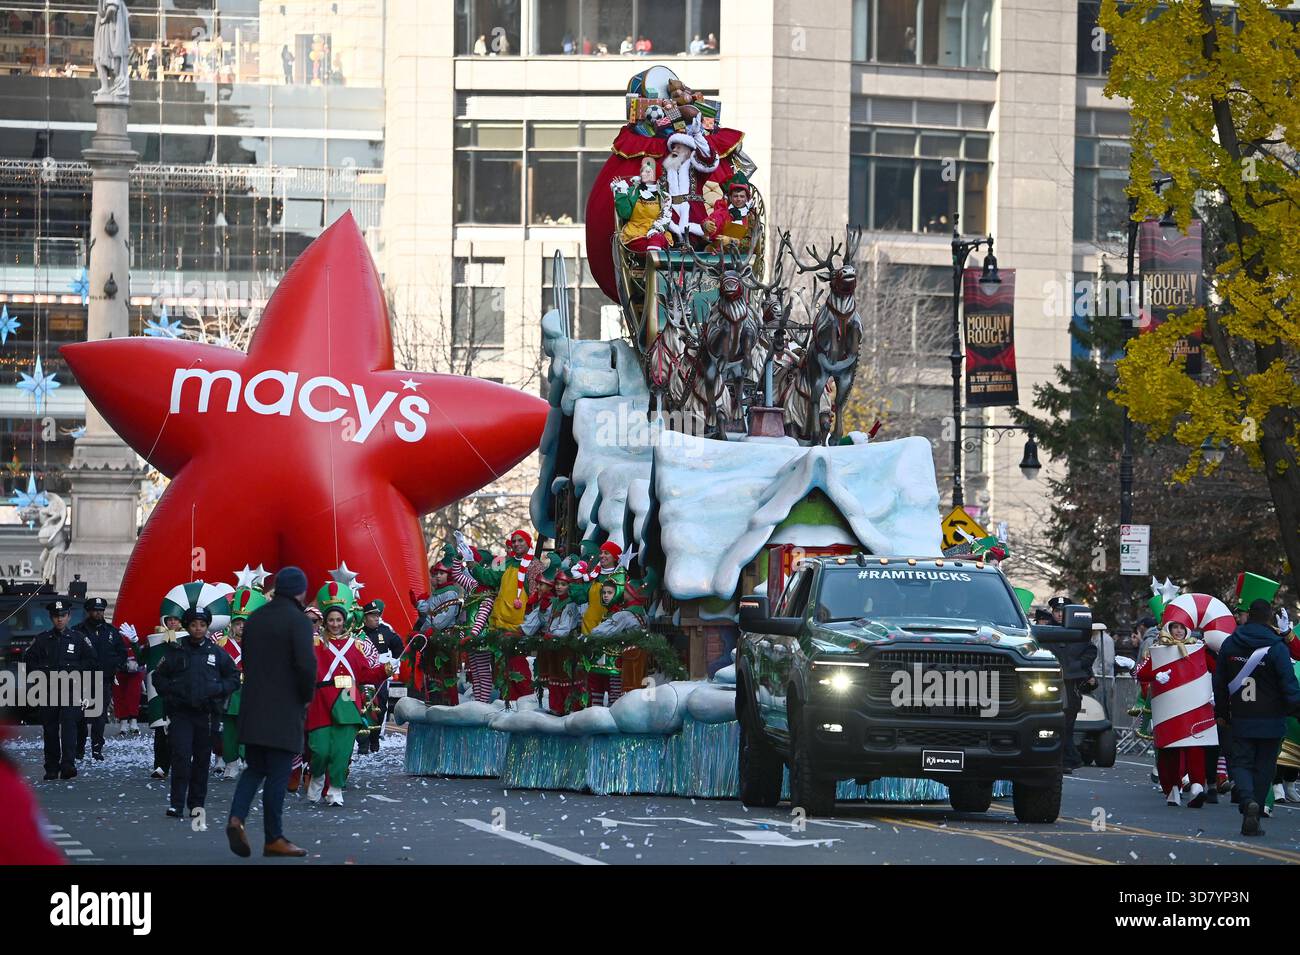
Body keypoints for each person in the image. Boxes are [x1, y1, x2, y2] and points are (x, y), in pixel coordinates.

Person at [227, 566, 316, 858]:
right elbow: (305, 666)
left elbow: (249, 661)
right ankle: (273, 837)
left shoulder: (256, 618)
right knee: (279, 772)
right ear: (300, 591)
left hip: (253, 706)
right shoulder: (299, 622)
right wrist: (305, 697)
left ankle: (237, 817)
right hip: (284, 709)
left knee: (255, 769)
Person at [1213, 598, 1300, 836]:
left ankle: (1247, 801)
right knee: (1265, 768)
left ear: (1249, 615)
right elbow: (1289, 684)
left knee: (1240, 763)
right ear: (1269, 617)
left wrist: (1221, 712)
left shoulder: (1231, 645)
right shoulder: (1277, 647)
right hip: (1272, 719)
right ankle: (1257, 809)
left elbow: (1219, 683)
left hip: (1240, 716)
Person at [152, 608, 239, 818]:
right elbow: (158, 677)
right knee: (181, 757)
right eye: (193, 625)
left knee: (201, 761)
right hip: (181, 714)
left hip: (207, 714)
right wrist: (171, 694)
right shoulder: (176, 650)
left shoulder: (217, 652)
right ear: (187, 626)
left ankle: (196, 803)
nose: (198, 629)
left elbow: (233, 678)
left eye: (202, 625)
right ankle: (176, 803)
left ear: (207, 626)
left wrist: (218, 689)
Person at [306, 599, 391, 806]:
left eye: (339, 620)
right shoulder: (313, 644)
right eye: (331, 620)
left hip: (347, 698)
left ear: (344, 622)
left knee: (342, 752)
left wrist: (385, 670)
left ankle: (335, 790)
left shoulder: (355, 645)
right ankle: (316, 775)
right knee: (320, 750)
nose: (335, 624)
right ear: (325, 622)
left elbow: (365, 674)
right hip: (320, 699)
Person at [1135, 620, 1217, 808]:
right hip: (1168, 708)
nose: (1179, 631)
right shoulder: (1158, 649)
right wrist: (1155, 676)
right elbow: (1141, 673)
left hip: (1194, 706)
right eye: (1175, 627)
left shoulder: (1198, 648)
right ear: (1168, 629)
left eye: (1182, 627)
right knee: (1169, 750)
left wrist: (1213, 691)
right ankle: (1172, 787)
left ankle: (1197, 785)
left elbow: (1216, 668)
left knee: (1196, 746)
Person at [24, 600, 96, 781]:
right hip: (49, 690)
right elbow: (30, 662)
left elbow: (91, 661)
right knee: (50, 730)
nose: (59, 619)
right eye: (56, 616)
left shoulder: (78, 639)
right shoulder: (42, 640)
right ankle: (51, 767)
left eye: (63, 616)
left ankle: (68, 764)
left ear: (68, 616)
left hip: (71, 690)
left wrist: (77, 673)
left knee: (69, 728)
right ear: (51, 618)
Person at [1046, 596, 1096, 773]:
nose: (1059, 615)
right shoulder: (1045, 631)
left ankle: (1066, 759)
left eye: (1063, 611)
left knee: (1066, 724)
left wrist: (1076, 668)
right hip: (1047, 683)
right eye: (1057, 611)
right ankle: (1064, 758)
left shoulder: (1079, 633)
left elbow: (1090, 652)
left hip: (1069, 686)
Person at [75, 596, 126, 761]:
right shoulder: (78, 631)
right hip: (83, 679)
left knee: (100, 716)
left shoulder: (111, 631)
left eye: (101, 610)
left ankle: (97, 749)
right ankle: (79, 749)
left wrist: (116, 666)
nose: (98, 613)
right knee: (80, 716)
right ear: (89, 612)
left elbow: (121, 652)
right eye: (95, 610)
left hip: (104, 679)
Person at [356, 599, 403, 755]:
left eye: (378, 615)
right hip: (362, 678)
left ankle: (374, 740)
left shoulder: (385, 631)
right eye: (372, 616)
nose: (376, 618)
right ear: (364, 617)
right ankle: (362, 743)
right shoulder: (358, 633)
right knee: (362, 709)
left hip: (380, 677)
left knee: (380, 709)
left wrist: (394, 662)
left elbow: (398, 647)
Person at [144, 610, 182, 779]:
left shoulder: (188, 638)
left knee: (180, 732)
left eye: (176, 619)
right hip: (162, 692)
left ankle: (181, 765)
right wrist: (137, 644)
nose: (173, 622)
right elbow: (143, 660)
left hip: (181, 692)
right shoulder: (157, 638)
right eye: (170, 619)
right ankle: (161, 766)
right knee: (161, 732)